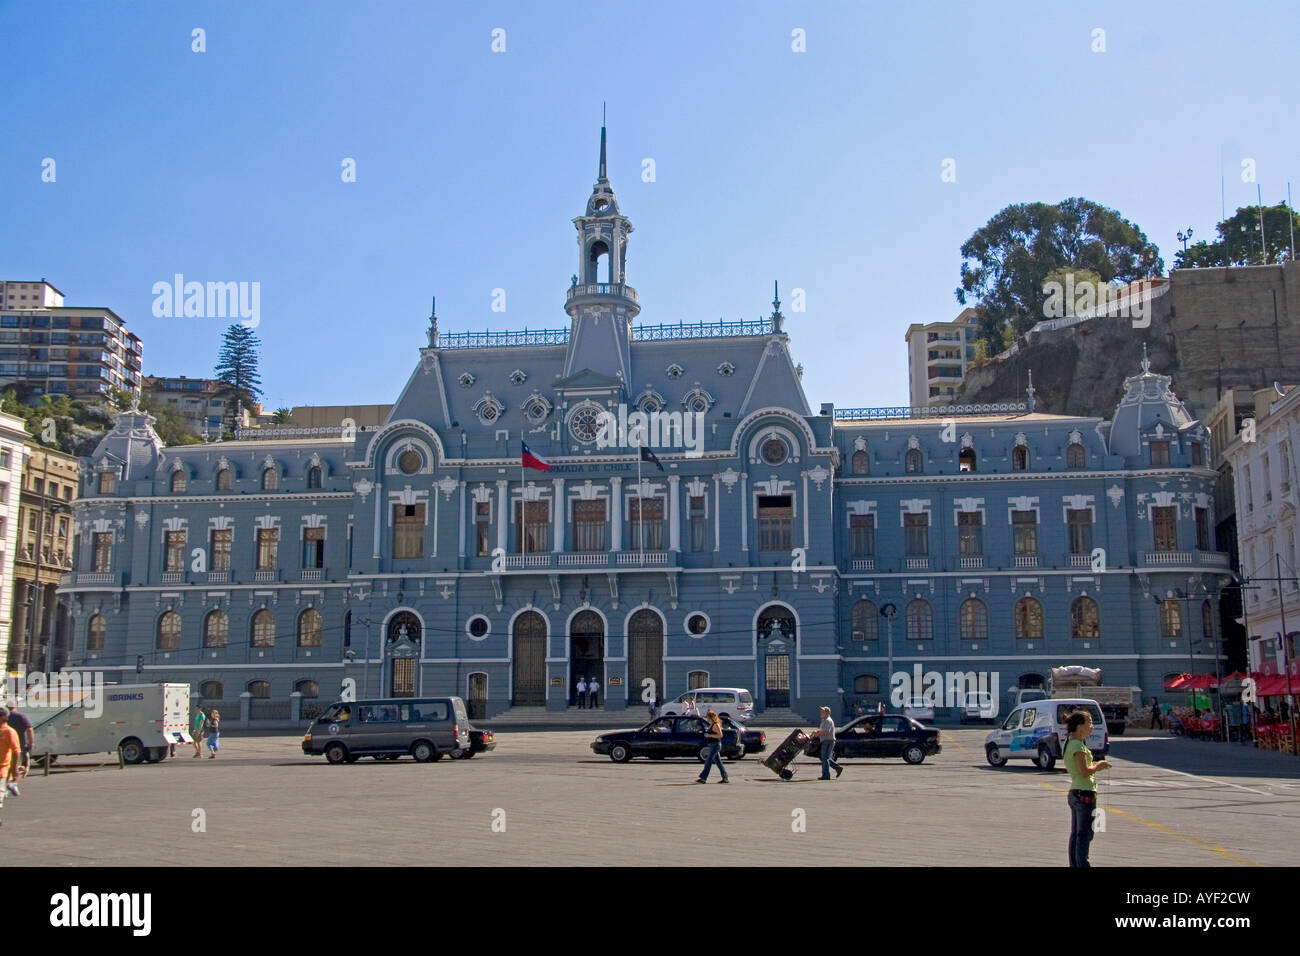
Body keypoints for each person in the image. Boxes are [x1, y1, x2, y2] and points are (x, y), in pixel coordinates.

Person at [1063, 709, 1110, 867]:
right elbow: (1084, 772)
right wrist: (1098, 766)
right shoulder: (1078, 746)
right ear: (1080, 726)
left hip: (1075, 792)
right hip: (1084, 793)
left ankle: (1075, 864)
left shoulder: (1069, 743)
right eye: (1089, 722)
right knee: (1084, 834)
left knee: (1077, 834)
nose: (1092, 726)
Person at [4, 700, 32, 795]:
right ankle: (13, 783)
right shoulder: (21, 717)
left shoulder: (4, 717)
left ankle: (5, 787)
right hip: (19, 747)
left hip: (5, 747)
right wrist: (31, 743)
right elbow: (29, 730)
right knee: (23, 768)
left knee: (7, 767)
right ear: (16, 706)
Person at [696, 710, 729, 784]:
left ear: (711, 718)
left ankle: (703, 778)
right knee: (718, 762)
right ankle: (725, 777)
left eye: (708, 717)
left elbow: (720, 735)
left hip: (716, 745)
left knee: (708, 761)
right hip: (712, 745)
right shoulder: (711, 724)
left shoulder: (715, 725)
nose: (707, 719)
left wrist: (710, 735)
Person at [811, 706, 842, 780]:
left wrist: (817, 733)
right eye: (821, 711)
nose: (821, 713)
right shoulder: (824, 720)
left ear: (827, 713)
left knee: (825, 758)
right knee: (825, 758)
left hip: (828, 741)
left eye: (823, 711)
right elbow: (823, 730)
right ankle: (837, 768)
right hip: (826, 740)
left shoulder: (828, 720)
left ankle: (826, 775)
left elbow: (826, 732)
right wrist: (816, 732)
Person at [0, 707, 20, 825]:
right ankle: (11, 787)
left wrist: (14, 769)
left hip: (1, 770)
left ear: (3, 718)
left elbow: (16, 751)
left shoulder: (9, 732)